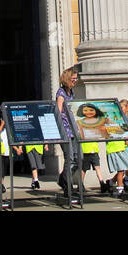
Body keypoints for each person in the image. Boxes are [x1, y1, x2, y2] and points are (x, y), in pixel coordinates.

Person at [54, 68, 80, 203]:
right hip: (65, 130)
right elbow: (58, 112)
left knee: (77, 157)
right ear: (67, 79)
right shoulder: (61, 93)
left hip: (73, 129)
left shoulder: (71, 92)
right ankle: (67, 186)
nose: (75, 81)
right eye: (73, 79)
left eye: (76, 78)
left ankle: (63, 178)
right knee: (69, 158)